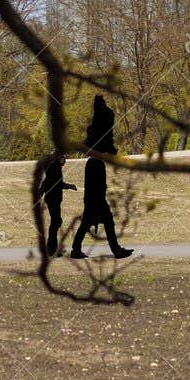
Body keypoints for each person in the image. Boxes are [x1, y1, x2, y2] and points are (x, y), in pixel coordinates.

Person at [70, 95, 132, 259]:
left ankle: (77, 249)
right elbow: (91, 150)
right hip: (95, 171)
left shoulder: (94, 130)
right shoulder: (98, 130)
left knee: (88, 220)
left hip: (95, 170)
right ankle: (115, 250)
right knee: (104, 219)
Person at [38, 150, 76, 257]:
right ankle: (51, 250)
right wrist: (69, 186)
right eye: (62, 159)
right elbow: (53, 183)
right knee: (56, 222)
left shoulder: (54, 169)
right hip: (53, 199)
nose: (64, 161)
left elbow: (53, 183)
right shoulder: (54, 169)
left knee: (56, 222)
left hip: (54, 199)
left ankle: (51, 248)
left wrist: (69, 186)